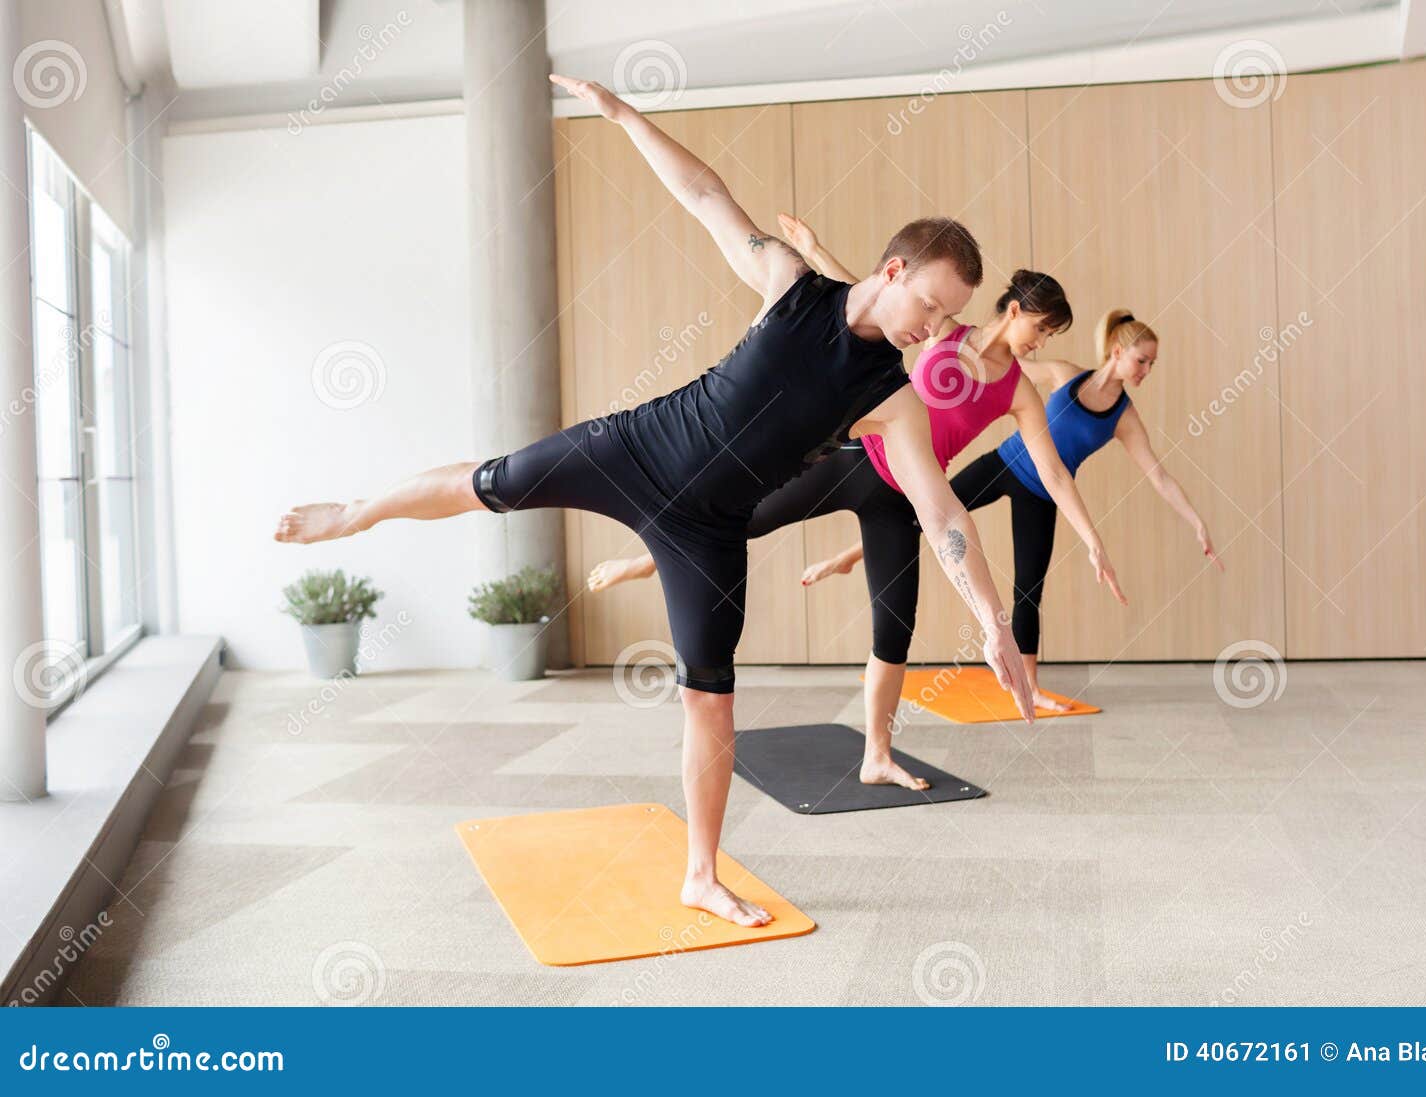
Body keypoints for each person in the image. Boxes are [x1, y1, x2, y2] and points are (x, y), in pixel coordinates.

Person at [273, 75, 1032, 929]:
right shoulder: (790, 283)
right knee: (489, 483)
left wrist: (992, 622)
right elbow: (706, 194)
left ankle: (700, 875)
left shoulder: (893, 398)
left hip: (710, 531)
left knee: (711, 699)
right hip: (635, 449)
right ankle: (353, 514)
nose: (934, 330)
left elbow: (941, 512)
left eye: (948, 318)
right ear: (894, 271)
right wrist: (625, 116)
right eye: (930, 305)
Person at [590, 212, 1128, 769]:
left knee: (894, 628)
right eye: (1041, 328)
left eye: (1050, 337)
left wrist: (1093, 541)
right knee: (743, 516)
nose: (1040, 342)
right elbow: (875, 300)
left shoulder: (1019, 391)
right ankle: (646, 558)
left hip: (906, 498)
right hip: (854, 456)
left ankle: (877, 756)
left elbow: (1053, 473)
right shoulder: (943, 329)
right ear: (1014, 311)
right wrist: (815, 248)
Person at [809, 307, 1224, 702]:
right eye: (1142, 360)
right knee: (925, 521)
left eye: (1151, 364)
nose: (1146, 370)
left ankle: (1032, 687)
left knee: (1029, 589)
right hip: (1002, 464)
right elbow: (1007, 369)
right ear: (1118, 352)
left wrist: (1197, 523)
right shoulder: (1064, 374)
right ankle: (849, 557)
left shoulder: (1124, 417)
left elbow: (1159, 476)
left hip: (1043, 493)